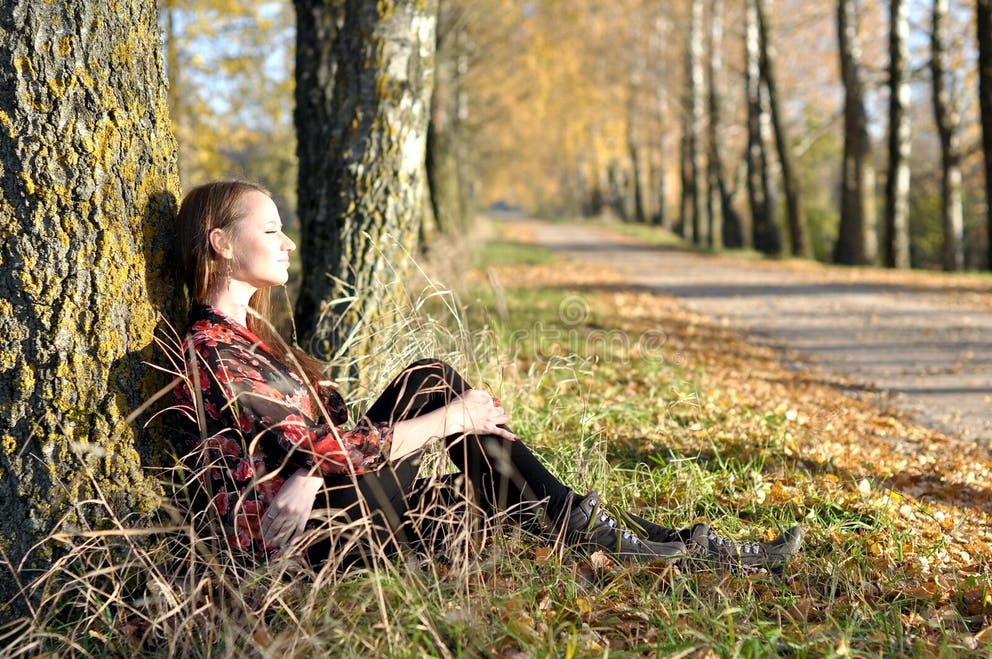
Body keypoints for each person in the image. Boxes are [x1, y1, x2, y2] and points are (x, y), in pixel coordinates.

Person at [171, 180, 802, 574]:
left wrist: (313, 466)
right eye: (271, 230)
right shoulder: (209, 347)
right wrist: (455, 420)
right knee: (445, 402)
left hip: (334, 500)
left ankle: (669, 544)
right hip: (304, 537)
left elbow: (322, 439)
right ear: (222, 243)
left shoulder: (255, 339)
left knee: (460, 425)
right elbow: (303, 449)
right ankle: (625, 539)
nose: (288, 244)